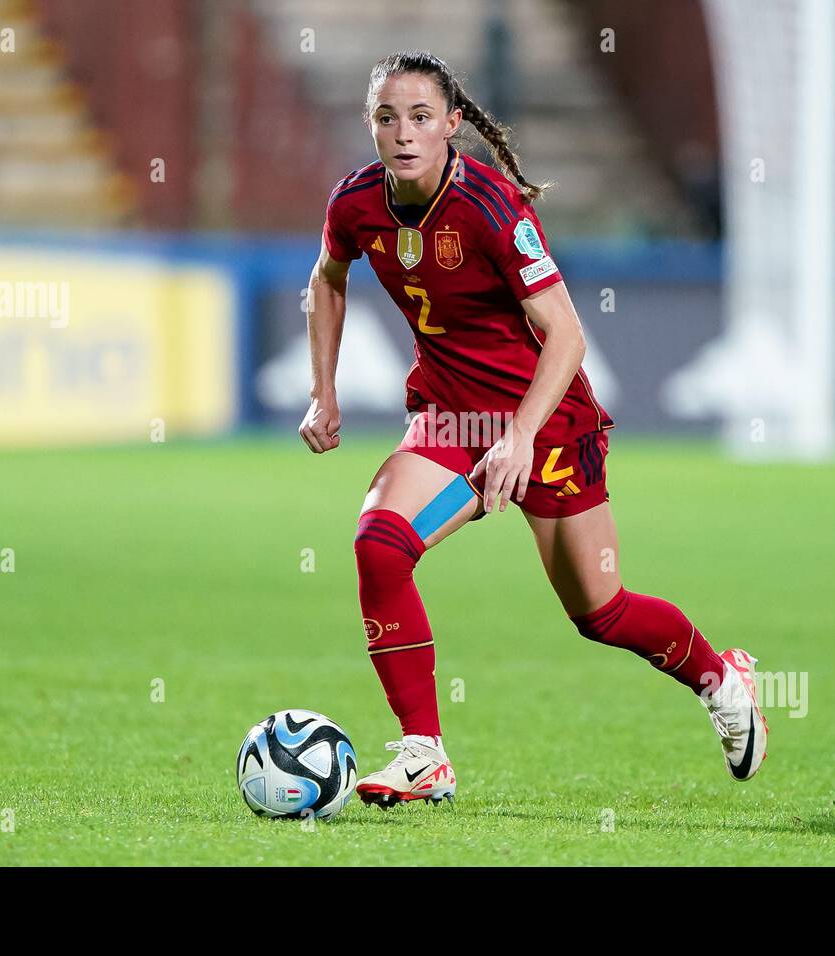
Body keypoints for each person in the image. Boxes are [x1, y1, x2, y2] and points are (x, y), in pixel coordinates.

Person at [300, 51, 767, 808]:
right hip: (452, 417)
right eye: (388, 117)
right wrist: (322, 391)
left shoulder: (489, 206)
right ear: (371, 125)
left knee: (602, 613)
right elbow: (327, 276)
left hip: (545, 423)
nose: (404, 132)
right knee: (379, 546)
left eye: (421, 116)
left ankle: (719, 677)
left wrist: (519, 435)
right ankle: (425, 753)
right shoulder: (354, 203)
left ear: (453, 124)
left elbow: (568, 336)